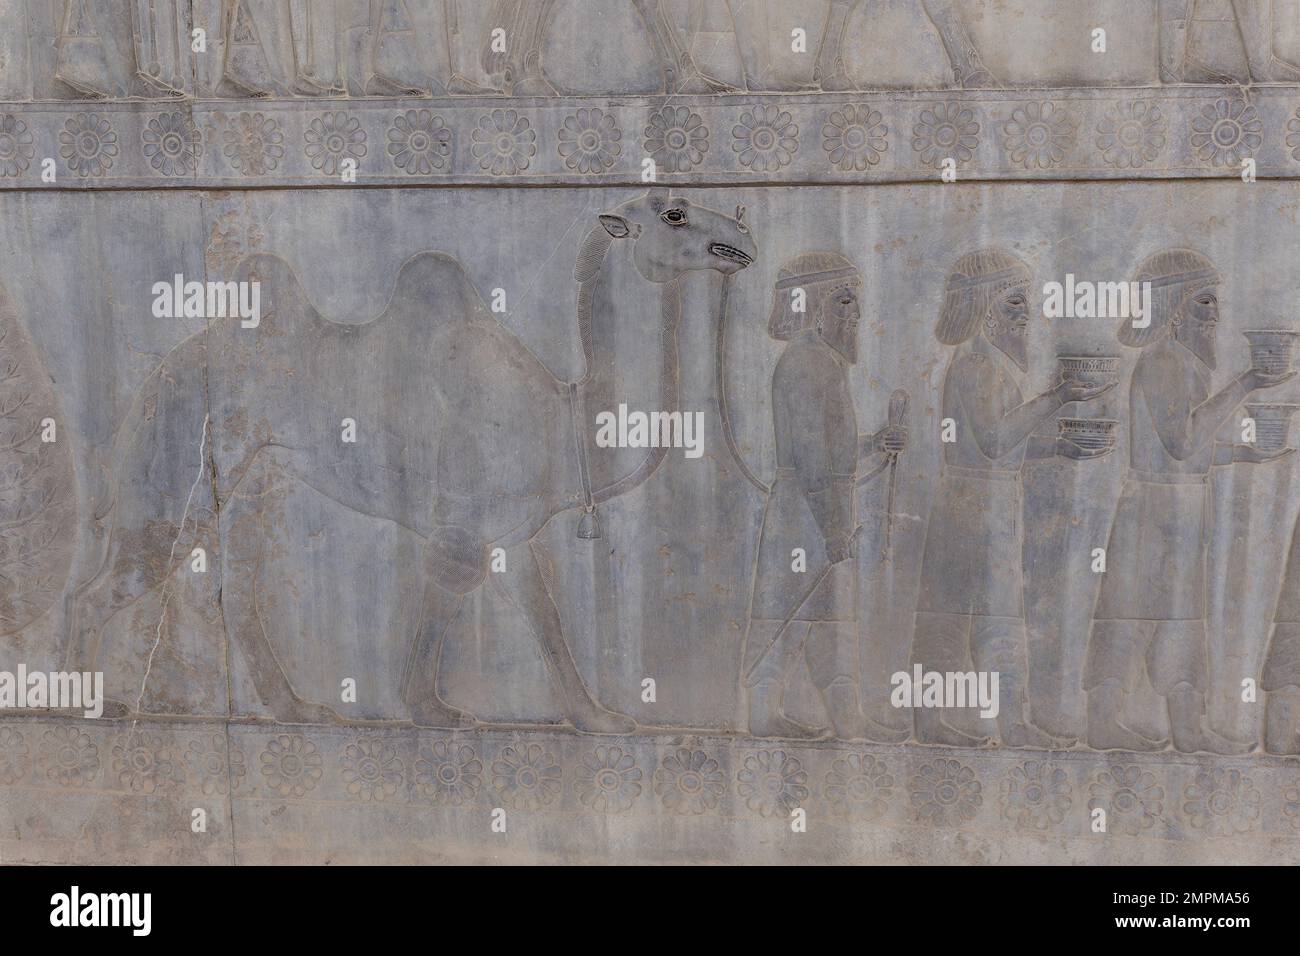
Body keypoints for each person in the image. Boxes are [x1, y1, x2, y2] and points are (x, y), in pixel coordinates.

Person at [1086, 249, 1293, 753]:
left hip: (1179, 504)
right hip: (1152, 509)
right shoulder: (1162, 363)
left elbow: (1186, 449)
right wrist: (1246, 384)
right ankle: (1104, 720)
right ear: (1175, 308)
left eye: (1216, 302)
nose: (1215, 314)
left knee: (1181, 615)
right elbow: (1181, 441)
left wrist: (1244, 454)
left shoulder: (1185, 363)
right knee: (1131, 612)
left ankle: (1187, 726)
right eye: (1205, 302)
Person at [911, 248, 1112, 748]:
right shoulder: (977, 364)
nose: (1027, 315)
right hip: (973, 506)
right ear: (986, 307)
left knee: (976, 614)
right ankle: (972, 723)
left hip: (985, 502)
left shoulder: (988, 363)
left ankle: (979, 721)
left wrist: (1059, 445)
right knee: (975, 617)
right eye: (1016, 303)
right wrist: (1058, 397)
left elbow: (998, 444)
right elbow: (996, 442)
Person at [741, 252, 907, 740]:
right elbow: (817, 461)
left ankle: (843, 717)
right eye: (844, 300)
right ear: (812, 304)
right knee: (790, 614)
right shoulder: (812, 363)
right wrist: (835, 527)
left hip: (813, 504)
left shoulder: (818, 360)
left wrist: (876, 442)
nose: (855, 313)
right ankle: (766, 713)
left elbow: (830, 449)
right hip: (808, 511)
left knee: (828, 616)